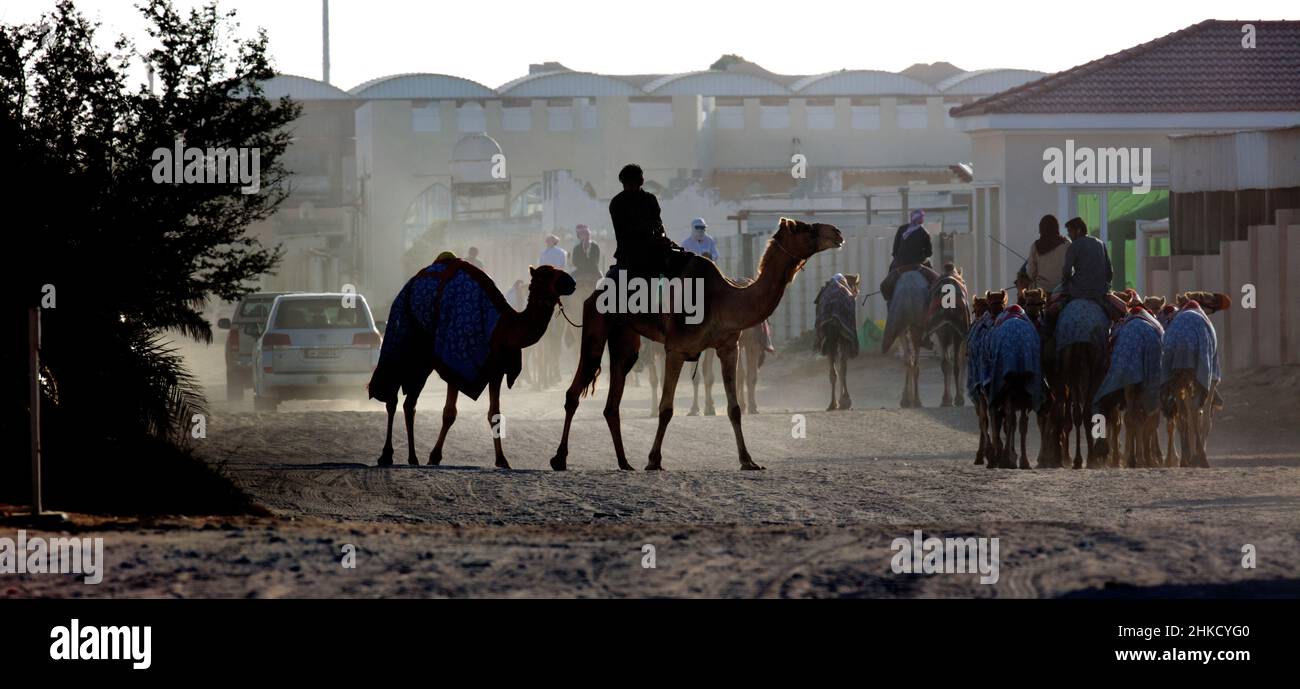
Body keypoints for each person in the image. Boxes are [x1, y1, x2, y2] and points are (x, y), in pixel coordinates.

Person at [607, 163, 688, 278]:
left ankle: (664, 294)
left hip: (654, 251)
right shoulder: (617, 203)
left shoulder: (650, 199)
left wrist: (664, 239)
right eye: (626, 183)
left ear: (640, 181)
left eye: (631, 182)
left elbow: (659, 224)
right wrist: (649, 227)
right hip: (629, 254)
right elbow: (625, 232)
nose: (628, 186)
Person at [879, 209, 939, 301]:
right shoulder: (924, 232)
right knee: (936, 282)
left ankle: (889, 301)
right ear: (920, 219)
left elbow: (895, 250)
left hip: (900, 263)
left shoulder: (902, 229)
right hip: (919, 264)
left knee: (886, 284)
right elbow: (929, 253)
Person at [1026, 214, 1070, 292]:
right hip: (1062, 290)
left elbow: (1030, 273)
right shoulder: (1066, 244)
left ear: (1041, 228)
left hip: (1041, 292)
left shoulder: (1035, 246)